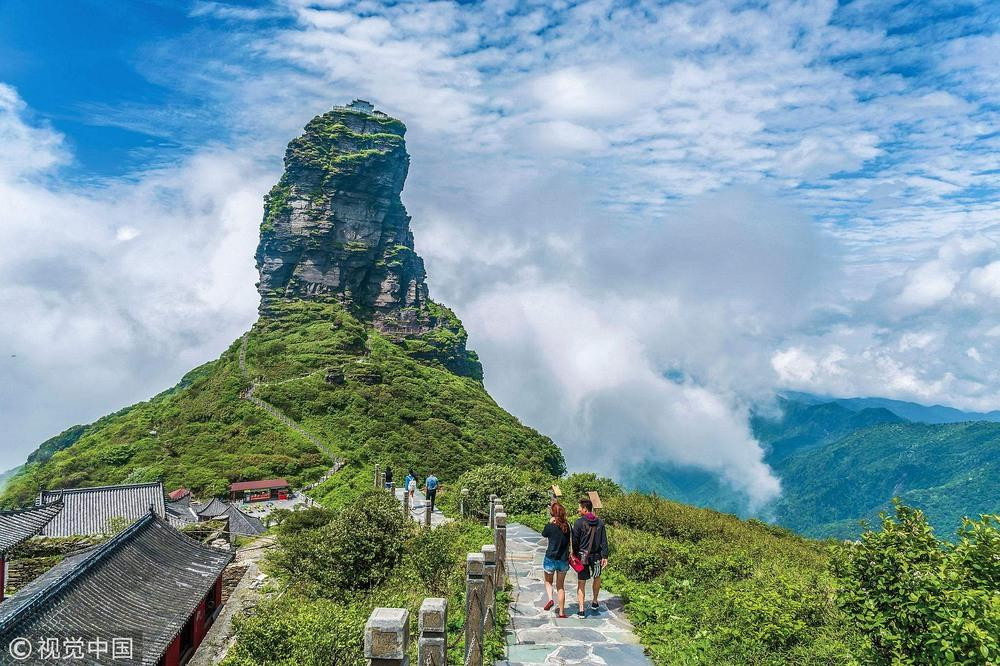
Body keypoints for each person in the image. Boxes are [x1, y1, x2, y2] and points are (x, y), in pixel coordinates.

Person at [572, 497, 609, 618]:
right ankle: (594, 601)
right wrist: (605, 555)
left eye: (579, 507)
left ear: (584, 509)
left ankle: (581, 610)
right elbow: (604, 541)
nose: (578, 510)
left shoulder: (578, 523)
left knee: (581, 582)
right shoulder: (600, 522)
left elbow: (575, 541)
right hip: (597, 556)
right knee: (597, 576)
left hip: (583, 557)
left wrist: (575, 554)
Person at [541, 501, 571, 617]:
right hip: (563, 560)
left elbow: (544, 534)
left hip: (550, 558)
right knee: (560, 586)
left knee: (548, 581)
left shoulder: (550, 527)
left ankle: (550, 599)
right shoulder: (567, 527)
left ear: (553, 514)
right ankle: (562, 612)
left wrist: (549, 523)